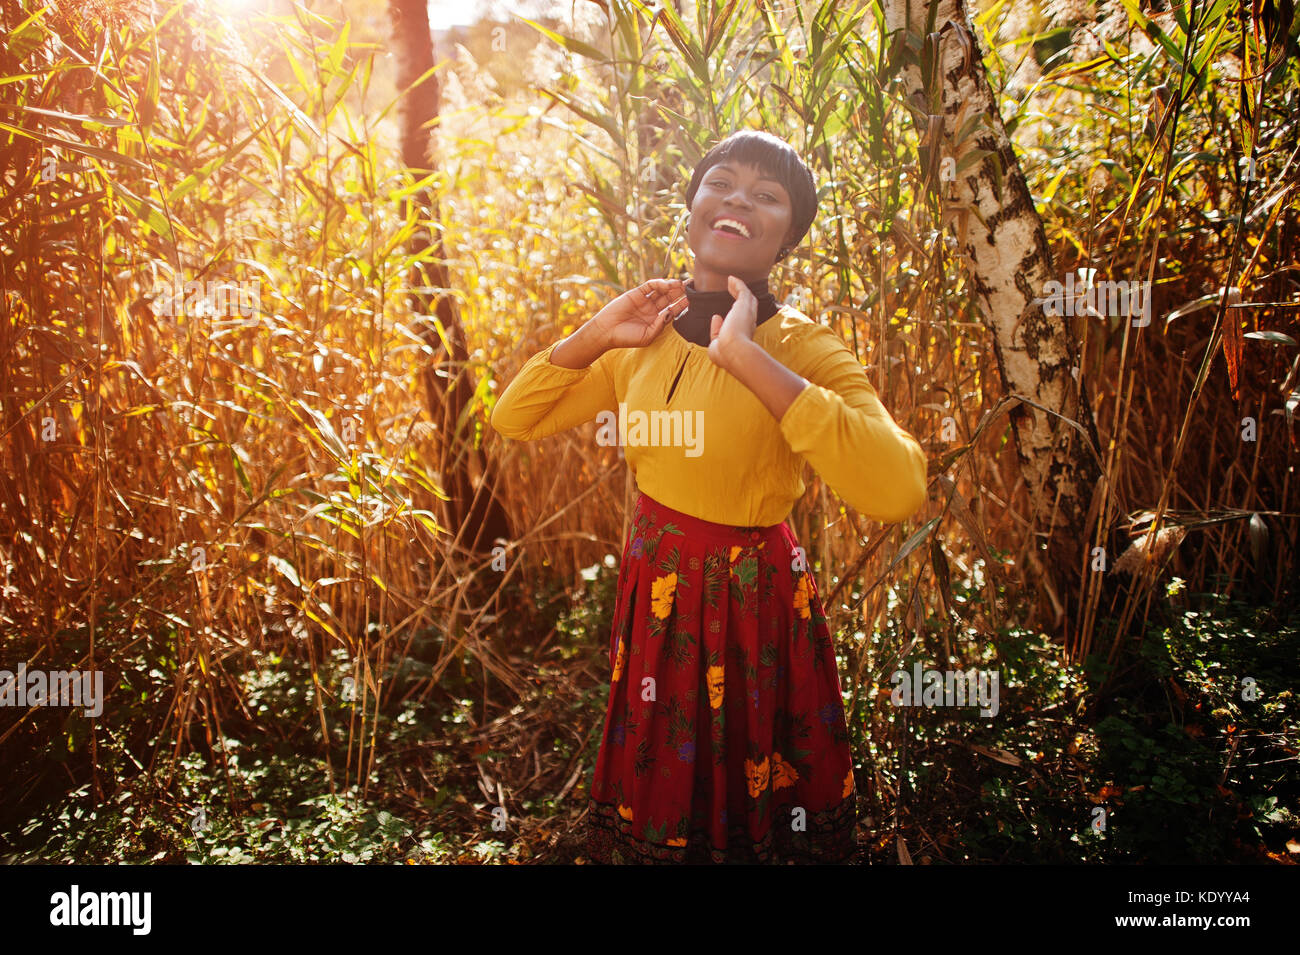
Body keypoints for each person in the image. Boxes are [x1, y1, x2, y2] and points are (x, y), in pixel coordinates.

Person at [490, 130, 928, 863]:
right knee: (668, 765)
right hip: (658, 585)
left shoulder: (805, 347)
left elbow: (898, 486)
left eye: (767, 195)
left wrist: (749, 359)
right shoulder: (644, 337)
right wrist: (598, 333)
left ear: (788, 237)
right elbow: (516, 418)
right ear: (692, 205)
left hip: (751, 597)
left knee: (752, 786)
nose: (738, 201)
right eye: (721, 183)